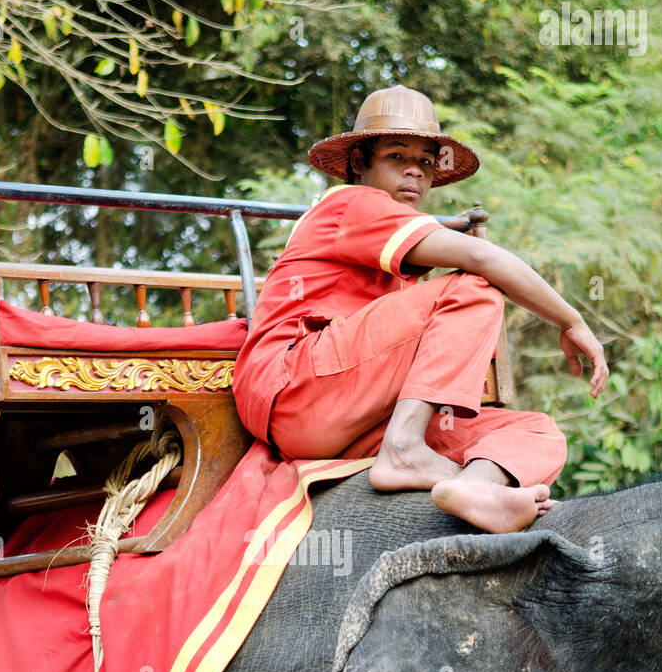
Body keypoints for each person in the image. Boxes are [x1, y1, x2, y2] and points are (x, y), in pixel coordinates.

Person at [231, 84, 609, 534]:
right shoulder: (351, 203)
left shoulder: (399, 243)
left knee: (538, 432)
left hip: (352, 418)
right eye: (396, 156)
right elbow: (483, 259)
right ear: (359, 163)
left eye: (426, 162)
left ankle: (476, 488)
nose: (414, 173)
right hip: (296, 388)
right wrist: (572, 320)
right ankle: (405, 450)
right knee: (477, 285)